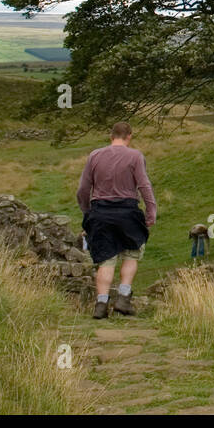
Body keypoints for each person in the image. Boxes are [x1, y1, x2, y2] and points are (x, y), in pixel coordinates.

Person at [77, 121, 157, 318]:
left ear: (111, 136)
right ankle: (122, 298)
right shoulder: (135, 156)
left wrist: (88, 213)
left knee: (106, 260)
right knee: (131, 253)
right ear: (129, 136)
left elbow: (83, 190)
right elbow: (144, 186)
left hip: (100, 213)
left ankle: (101, 305)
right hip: (128, 212)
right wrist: (151, 211)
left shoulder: (95, 156)